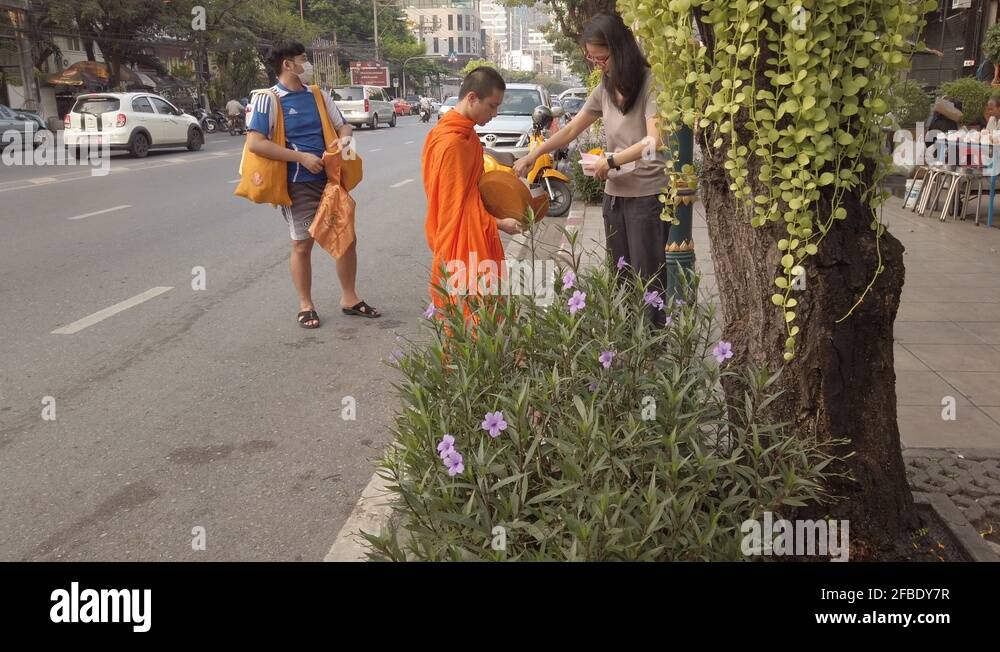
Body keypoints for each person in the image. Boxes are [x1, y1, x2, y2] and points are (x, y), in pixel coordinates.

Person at [513, 13, 668, 326]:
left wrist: (610, 161)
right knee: (621, 279)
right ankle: (627, 351)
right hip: (616, 196)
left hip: (647, 196)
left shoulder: (652, 83)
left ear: (619, 49)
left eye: (601, 57)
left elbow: (655, 142)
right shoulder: (605, 85)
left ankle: (653, 353)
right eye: (591, 58)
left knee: (648, 281)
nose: (597, 64)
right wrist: (536, 153)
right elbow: (572, 130)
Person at [247, 40, 380, 329]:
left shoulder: (318, 94)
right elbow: (256, 143)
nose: (307, 65)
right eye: (303, 59)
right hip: (298, 182)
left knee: (347, 240)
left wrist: (343, 139)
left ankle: (350, 298)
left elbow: (343, 125)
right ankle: (305, 305)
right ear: (287, 64)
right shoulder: (268, 99)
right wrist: (301, 158)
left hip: (331, 179)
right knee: (302, 245)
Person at [422, 67, 523, 313]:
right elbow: (454, 210)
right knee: (473, 312)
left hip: (473, 231)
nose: (495, 113)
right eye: (492, 106)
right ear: (471, 98)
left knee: (479, 310)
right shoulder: (453, 142)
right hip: (461, 241)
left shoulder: (463, 134)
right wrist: (498, 223)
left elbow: (472, 193)